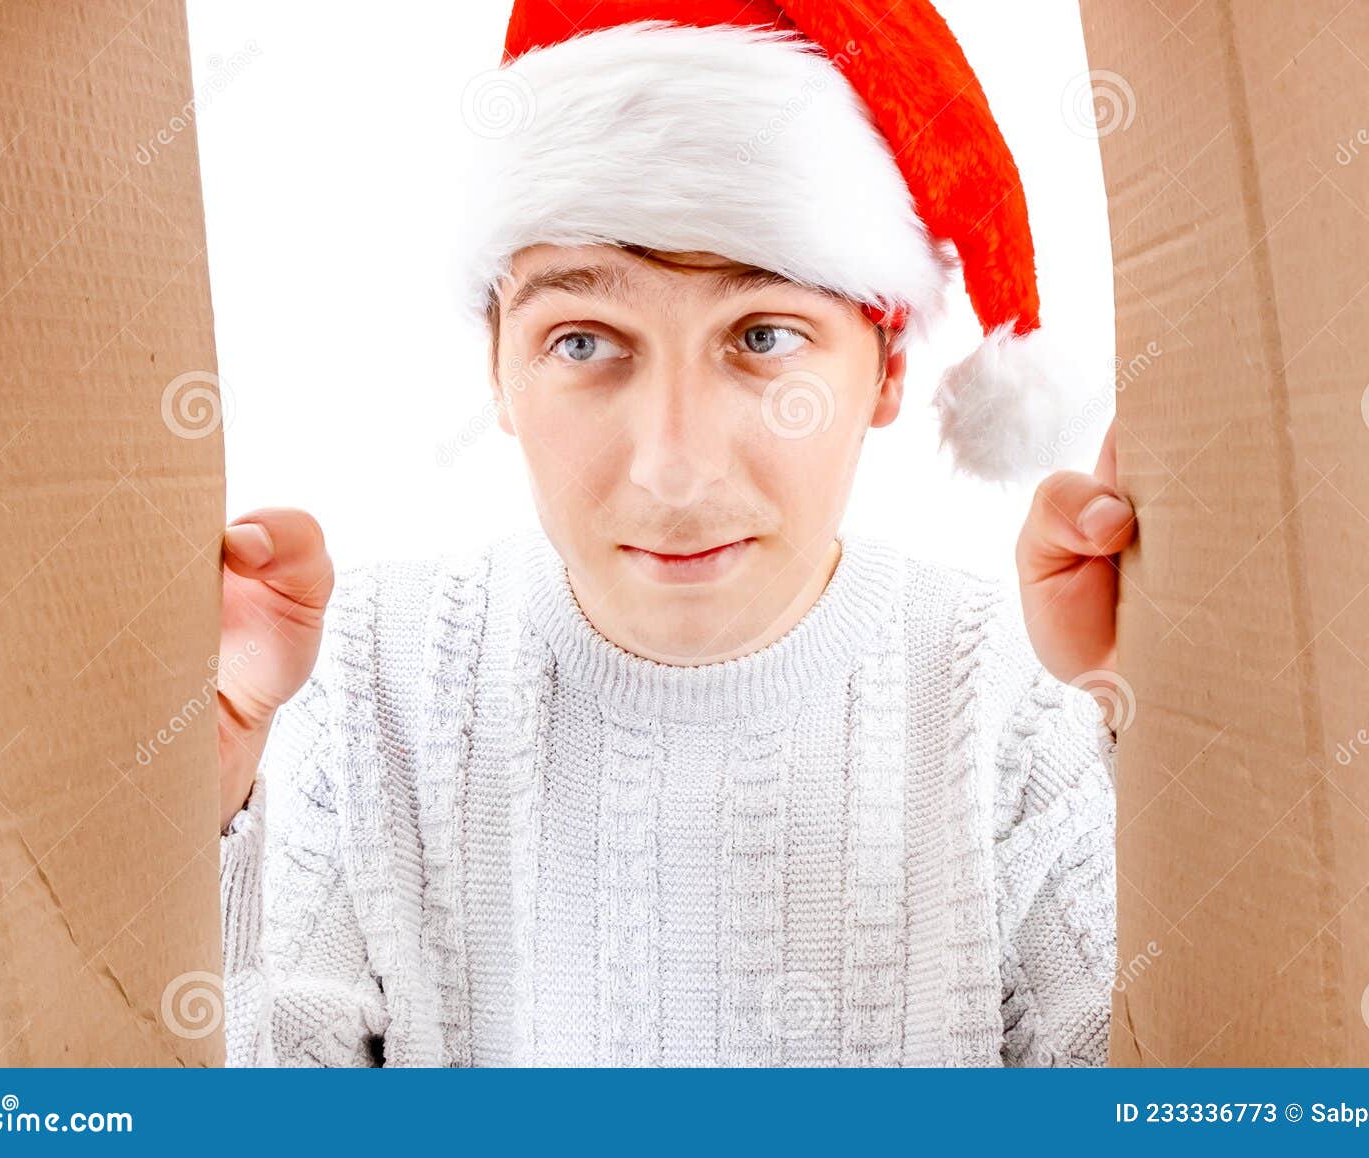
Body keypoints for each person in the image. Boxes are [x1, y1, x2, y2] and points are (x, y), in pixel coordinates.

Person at [215, 0, 1137, 1067]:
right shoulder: (358, 679)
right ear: (497, 368)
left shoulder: (1025, 710)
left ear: (885, 365)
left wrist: (1169, 755)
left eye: (762, 335)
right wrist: (192, 821)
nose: (675, 464)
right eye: (583, 342)